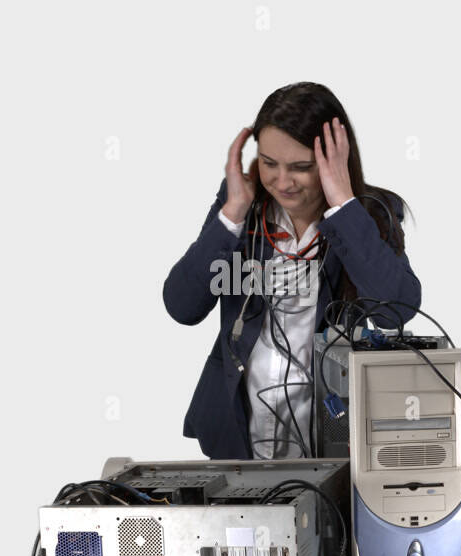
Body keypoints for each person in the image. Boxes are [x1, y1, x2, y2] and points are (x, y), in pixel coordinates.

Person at [163, 82, 422, 460]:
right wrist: (232, 211)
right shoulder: (241, 205)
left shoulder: (370, 212)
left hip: (330, 439)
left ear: (334, 160)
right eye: (269, 163)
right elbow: (182, 306)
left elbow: (396, 309)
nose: (282, 182)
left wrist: (343, 205)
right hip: (238, 439)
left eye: (301, 167)